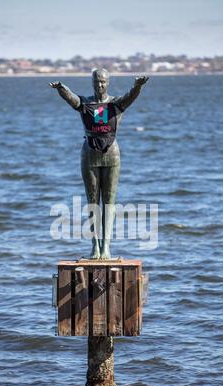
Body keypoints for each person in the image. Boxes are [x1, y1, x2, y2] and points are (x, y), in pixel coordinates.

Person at [49, 68, 149, 259]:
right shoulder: (86, 103)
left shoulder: (115, 104)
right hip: (89, 154)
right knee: (93, 201)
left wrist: (137, 86)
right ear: (92, 83)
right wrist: (62, 88)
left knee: (109, 203)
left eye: (103, 82)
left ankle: (106, 247)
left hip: (112, 154)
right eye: (96, 82)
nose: (100, 85)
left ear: (108, 83)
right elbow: (72, 100)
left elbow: (130, 96)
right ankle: (95, 246)